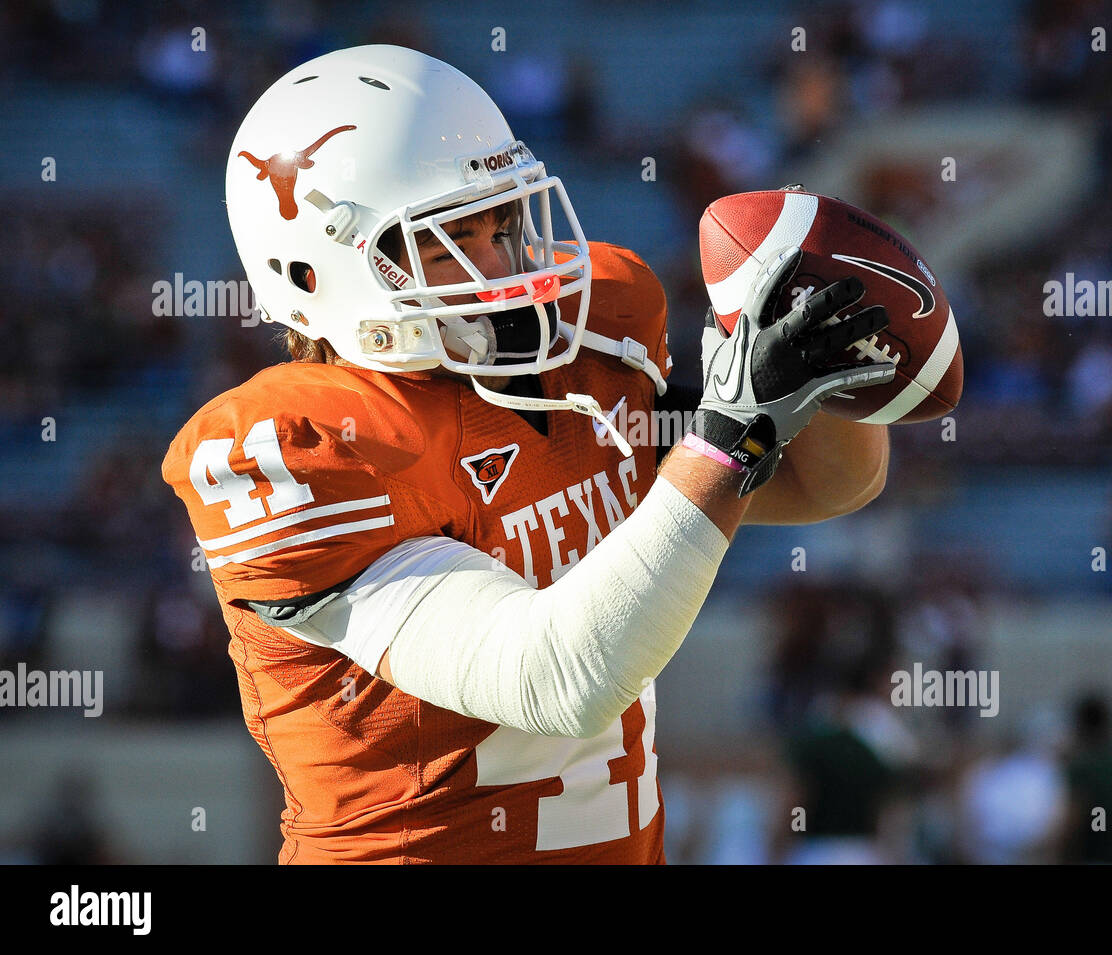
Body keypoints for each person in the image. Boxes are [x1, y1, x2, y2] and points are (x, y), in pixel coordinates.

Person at [161, 44, 896, 863]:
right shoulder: (302, 449)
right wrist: (734, 432)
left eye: (500, 222)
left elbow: (827, 480)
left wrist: (819, 368)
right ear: (312, 272)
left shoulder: (579, 359)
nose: (497, 266)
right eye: (445, 242)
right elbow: (555, 676)